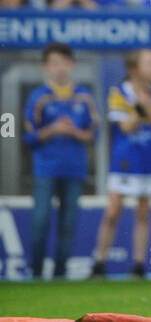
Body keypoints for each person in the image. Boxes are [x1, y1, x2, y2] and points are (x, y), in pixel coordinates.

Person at [90, 47, 151, 278]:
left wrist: (148, 108)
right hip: (125, 160)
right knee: (113, 210)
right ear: (134, 69)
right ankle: (99, 262)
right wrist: (142, 108)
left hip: (149, 159)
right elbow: (125, 126)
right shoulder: (119, 92)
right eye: (148, 63)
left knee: (144, 212)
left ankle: (138, 264)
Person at [23, 42, 98, 279]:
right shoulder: (38, 97)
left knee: (68, 224)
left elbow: (94, 134)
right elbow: (28, 136)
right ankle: (35, 274)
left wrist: (75, 132)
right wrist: (53, 129)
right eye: (54, 63)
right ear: (46, 67)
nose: (60, 68)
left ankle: (60, 274)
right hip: (45, 168)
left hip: (75, 169)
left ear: (72, 64)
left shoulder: (85, 96)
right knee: (40, 221)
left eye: (64, 62)